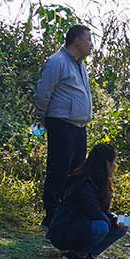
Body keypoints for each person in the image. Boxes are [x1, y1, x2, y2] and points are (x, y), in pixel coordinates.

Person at [33, 24, 95, 226]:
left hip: (78, 126)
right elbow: (43, 92)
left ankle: (67, 216)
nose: (91, 44)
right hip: (61, 123)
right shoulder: (57, 61)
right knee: (58, 171)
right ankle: (51, 217)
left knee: (76, 172)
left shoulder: (80, 64)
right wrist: (41, 116)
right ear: (76, 40)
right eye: (88, 39)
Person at [46, 141, 130, 259]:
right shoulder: (83, 182)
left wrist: (116, 219)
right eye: (114, 161)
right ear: (106, 163)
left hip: (81, 226)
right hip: (65, 230)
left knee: (120, 227)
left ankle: (89, 254)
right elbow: (93, 211)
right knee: (102, 226)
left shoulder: (101, 182)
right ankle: (76, 255)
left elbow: (101, 210)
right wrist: (111, 220)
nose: (115, 165)